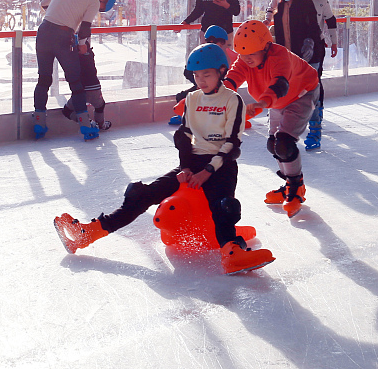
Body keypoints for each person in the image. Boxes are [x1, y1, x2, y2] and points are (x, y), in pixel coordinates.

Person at [54, 43, 275, 275]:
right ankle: (89, 233)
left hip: (222, 166)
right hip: (193, 162)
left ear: (221, 71)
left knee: (223, 207)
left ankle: (232, 254)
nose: (201, 81)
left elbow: (232, 143)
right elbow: (184, 135)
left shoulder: (233, 100)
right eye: (197, 76)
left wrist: (206, 172)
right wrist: (187, 167)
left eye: (206, 75)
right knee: (142, 195)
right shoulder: (193, 99)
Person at [224, 20, 319, 218]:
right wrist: (212, 95)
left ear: (266, 47)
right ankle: (289, 185)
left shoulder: (280, 56)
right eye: (242, 55)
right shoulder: (245, 59)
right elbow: (232, 79)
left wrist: (261, 103)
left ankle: (296, 188)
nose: (246, 59)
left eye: (251, 54)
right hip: (275, 101)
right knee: (274, 144)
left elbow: (280, 83)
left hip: (301, 93)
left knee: (285, 143)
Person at [33, 0, 116, 141]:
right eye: (101, 8)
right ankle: (86, 126)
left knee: (43, 79)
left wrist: (56, 17)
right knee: (76, 82)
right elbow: (84, 29)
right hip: (63, 37)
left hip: (43, 32)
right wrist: (83, 46)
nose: (98, 10)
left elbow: (43, 2)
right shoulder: (93, 0)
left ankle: (39, 123)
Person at [296, 0, 339, 150]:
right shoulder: (293, 1)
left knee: (314, 82)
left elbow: (331, 20)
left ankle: (316, 123)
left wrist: (334, 42)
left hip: (317, 46)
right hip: (297, 48)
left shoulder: (321, 0)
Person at [168, 24, 234, 125]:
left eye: (223, 44)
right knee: (183, 96)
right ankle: (184, 116)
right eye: (222, 44)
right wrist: (199, 80)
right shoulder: (203, 52)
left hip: (215, 85)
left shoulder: (220, 54)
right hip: (204, 83)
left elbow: (225, 72)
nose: (223, 46)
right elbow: (188, 71)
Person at [269, 0, 322, 66]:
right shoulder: (281, 6)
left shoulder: (305, 3)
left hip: (306, 56)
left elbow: (314, 26)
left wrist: (309, 43)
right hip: (288, 57)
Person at [60, 42, 111, 131]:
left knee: (67, 111)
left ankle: (87, 122)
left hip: (80, 90)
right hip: (95, 87)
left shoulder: (73, 58)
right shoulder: (90, 55)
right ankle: (101, 124)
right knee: (100, 106)